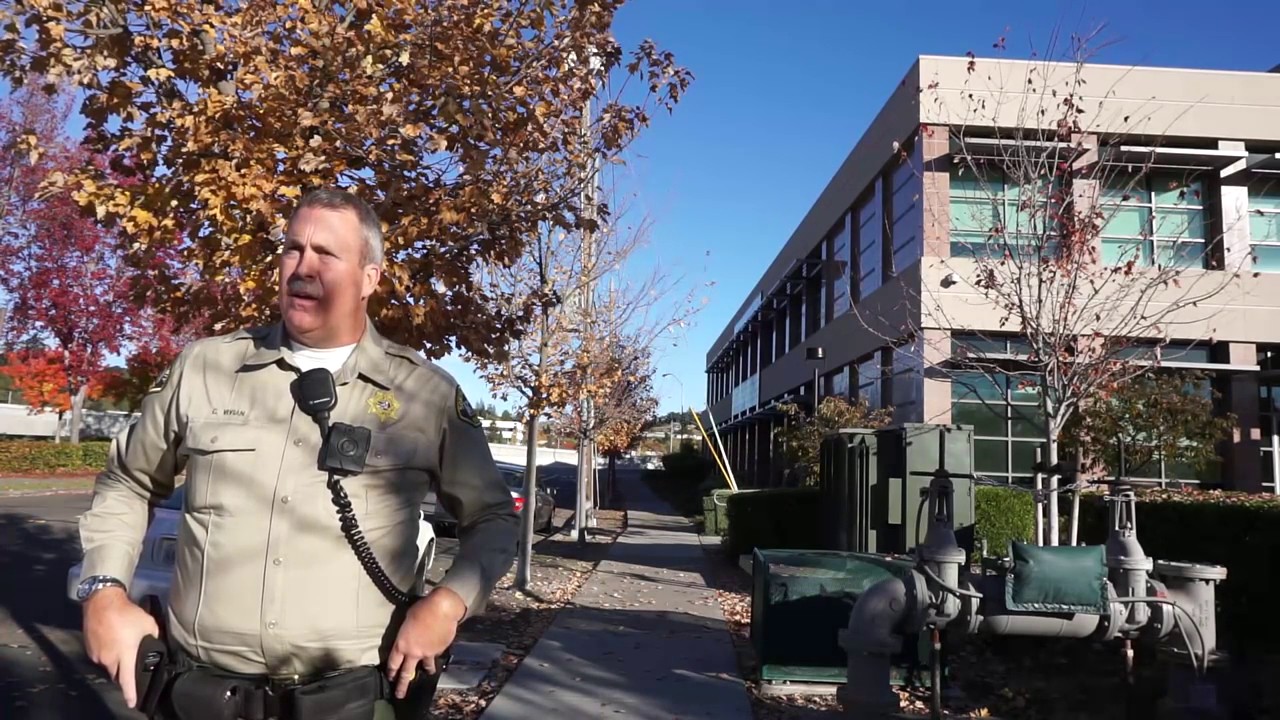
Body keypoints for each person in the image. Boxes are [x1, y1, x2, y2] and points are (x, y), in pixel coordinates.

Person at [75, 188, 521, 719]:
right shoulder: (205, 369)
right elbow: (129, 480)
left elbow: (493, 518)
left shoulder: (425, 395)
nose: (302, 268)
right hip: (200, 694)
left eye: (326, 255)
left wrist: (448, 603)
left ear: (370, 278)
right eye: (292, 249)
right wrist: (103, 591)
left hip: (351, 700)